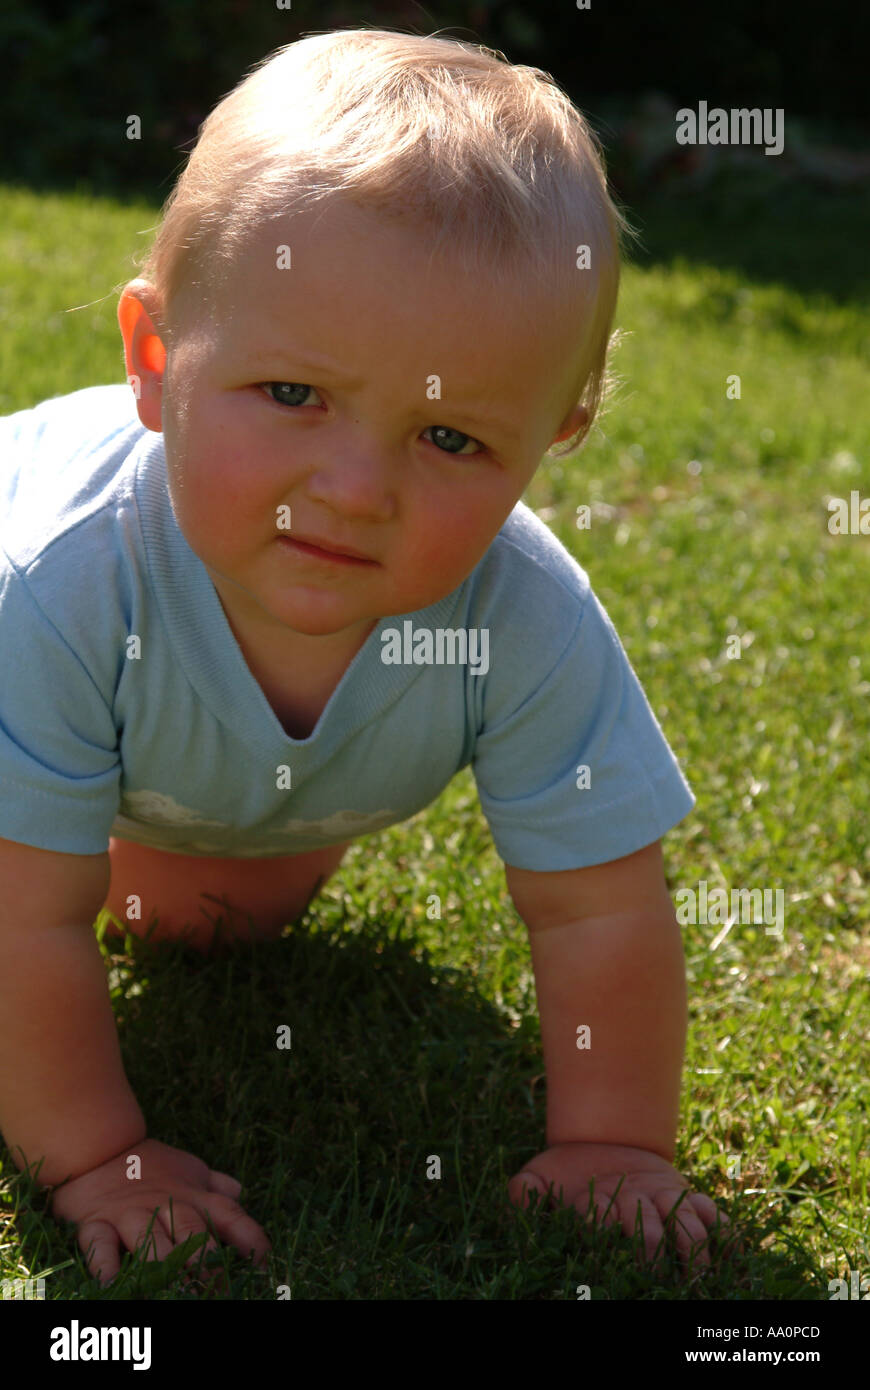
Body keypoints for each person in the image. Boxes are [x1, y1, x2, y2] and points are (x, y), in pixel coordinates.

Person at [0, 27, 732, 1290]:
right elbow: (22, 922)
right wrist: (96, 1154)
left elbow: (601, 902)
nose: (353, 490)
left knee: (195, 922)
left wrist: (615, 1143)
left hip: (242, 778)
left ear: (555, 437)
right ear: (157, 362)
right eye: (292, 394)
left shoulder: (525, 620)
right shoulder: (61, 587)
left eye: (449, 438)